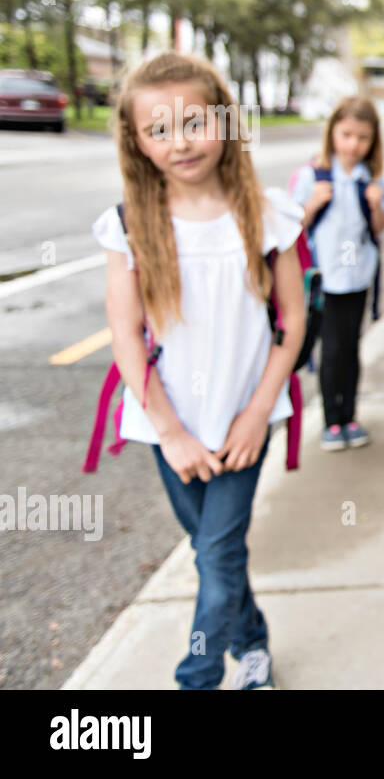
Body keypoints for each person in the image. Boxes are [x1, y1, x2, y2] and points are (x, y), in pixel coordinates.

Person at [91, 51, 306, 689]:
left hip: (247, 418)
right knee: (215, 551)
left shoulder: (264, 213)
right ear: (136, 140)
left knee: (216, 552)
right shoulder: (129, 225)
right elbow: (126, 335)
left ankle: (199, 677)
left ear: (226, 123)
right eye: (158, 129)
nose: (180, 141)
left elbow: (291, 320)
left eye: (195, 122)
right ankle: (255, 643)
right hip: (170, 423)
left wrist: (259, 410)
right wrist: (172, 430)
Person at [290, 97, 384, 451]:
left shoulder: (370, 179)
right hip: (326, 280)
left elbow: (380, 227)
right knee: (330, 350)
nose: (353, 144)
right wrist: (311, 203)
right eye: (346, 134)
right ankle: (331, 422)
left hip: (358, 276)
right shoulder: (312, 176)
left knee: (350, 348)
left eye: (362, 138)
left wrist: (376, 205)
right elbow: (293, 225)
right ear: (332, 133)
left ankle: (349, 416)